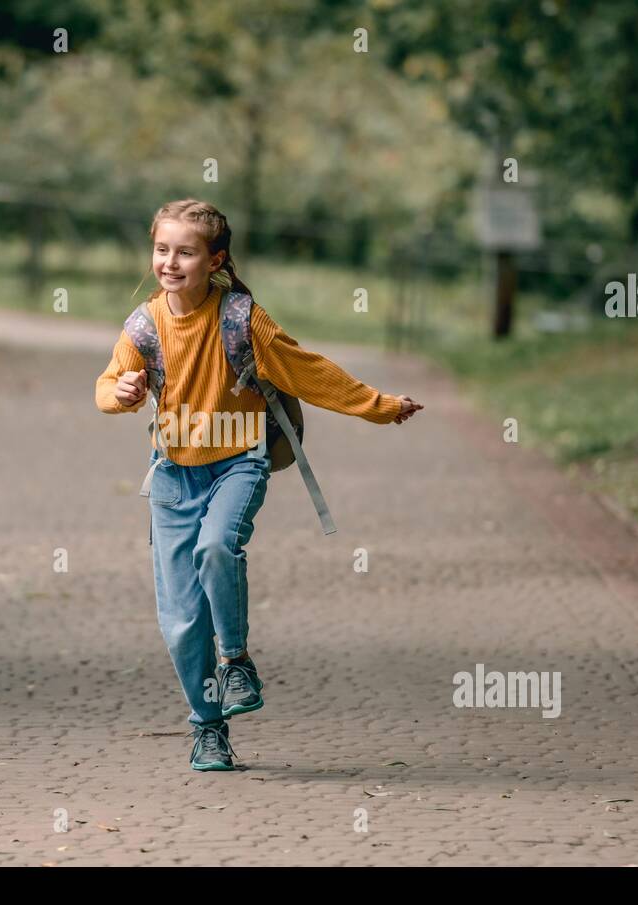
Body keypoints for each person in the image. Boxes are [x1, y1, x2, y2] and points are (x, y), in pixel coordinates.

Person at [95, 198, 422, 771]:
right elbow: (107, 384)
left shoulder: (242, 318)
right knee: (178, 622)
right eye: (162, 249)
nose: (170, 262)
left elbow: (309, 370)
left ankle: (235, 660)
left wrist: (380, 406)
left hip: (238, 463)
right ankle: (208, 727)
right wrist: (119, 394)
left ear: (214, 259)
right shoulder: (144, 325)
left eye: (185, 252)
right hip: (172, 475)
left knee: (217, 546)